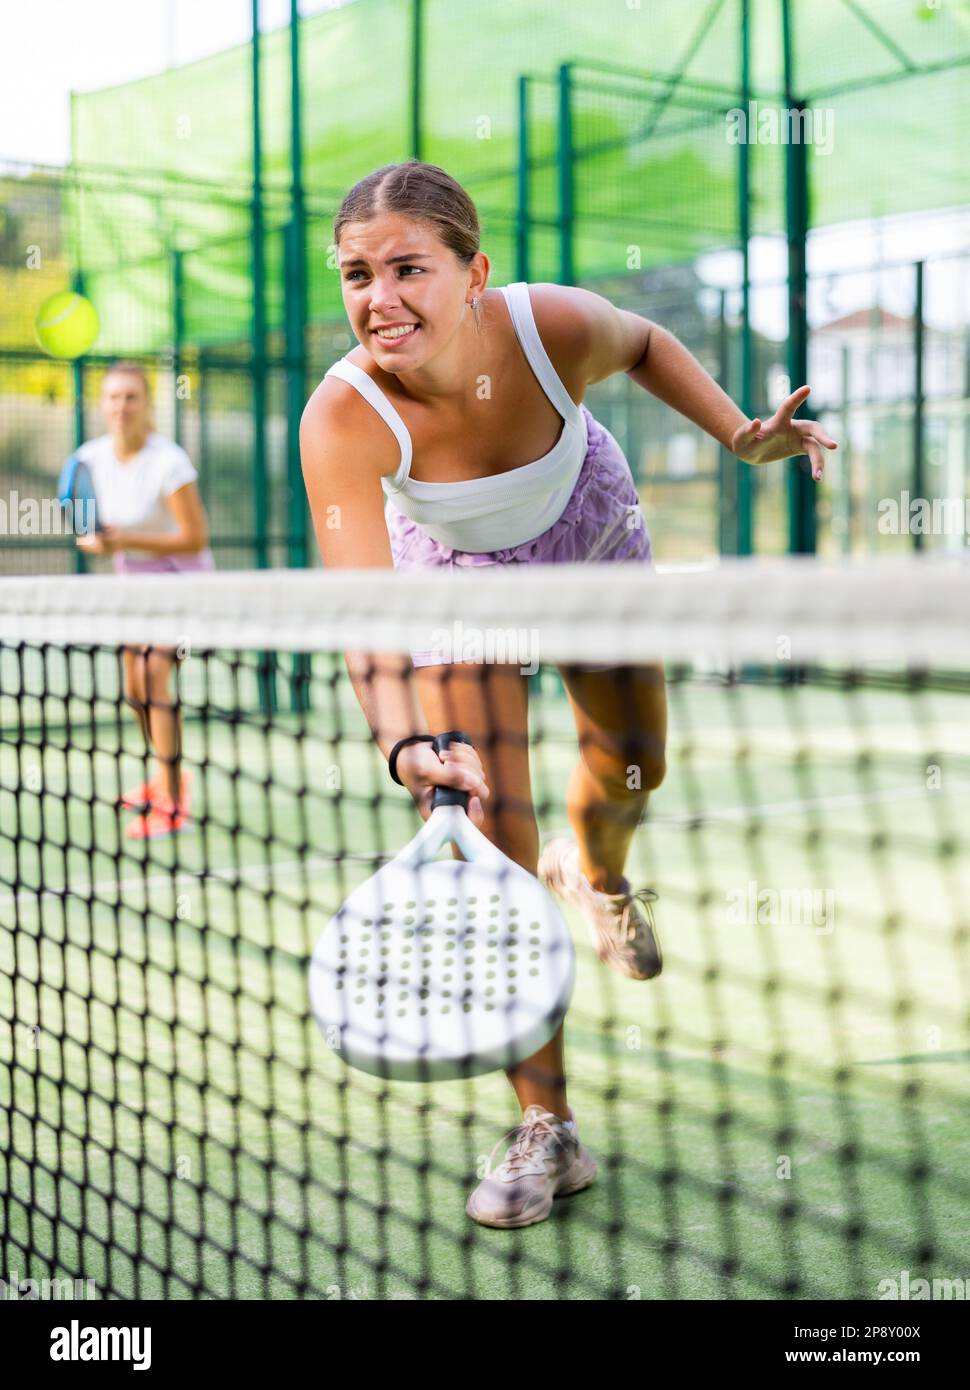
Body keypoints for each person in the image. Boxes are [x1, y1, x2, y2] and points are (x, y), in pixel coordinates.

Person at [300, 160, 837, 1230]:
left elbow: (641, 341)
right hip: (453, 586)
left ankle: (595, 867)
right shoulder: (344, 416)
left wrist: (741, 434)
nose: (380, 298)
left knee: (636, 762)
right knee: (489, 838)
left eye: (409, 268)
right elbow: (367, 615)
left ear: (475, 274)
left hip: (586, 531)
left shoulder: (550, 327)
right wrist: (407, 749)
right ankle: (549, 1125)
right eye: (357, 274)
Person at [73, 361, 214, 840]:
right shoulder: (90, 457)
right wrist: (95, 540)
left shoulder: (168, 462)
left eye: (131, 396)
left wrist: (124, 537)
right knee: (134, 690)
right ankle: (165, 774)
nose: (121, 406)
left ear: (147, 404)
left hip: (181, 586)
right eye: (113, 397)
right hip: (132, 588)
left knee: (153, 677)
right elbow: (89, 529)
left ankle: (173, 802)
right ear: (102, 404)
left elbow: (194, 538)